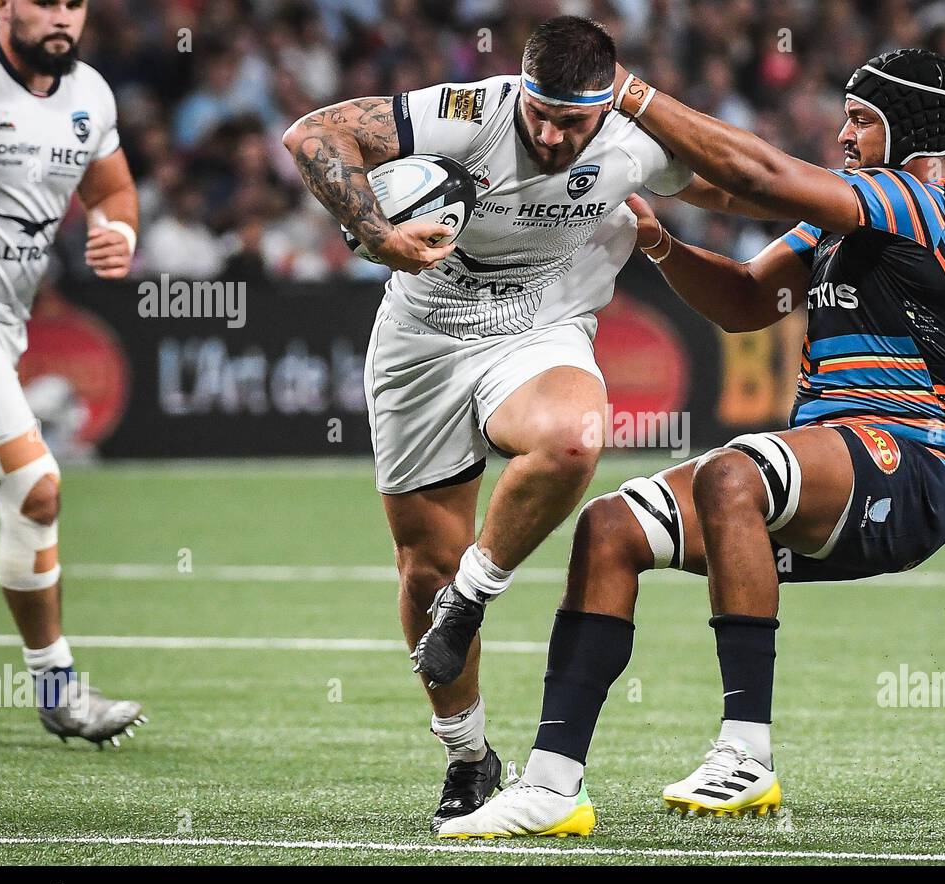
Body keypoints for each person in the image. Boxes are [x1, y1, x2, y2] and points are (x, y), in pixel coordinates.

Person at [438, 49, 945, 839]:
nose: (842, 132)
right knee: (608, 529)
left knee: (735, 475)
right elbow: (746, 300)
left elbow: (760, 176)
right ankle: (553, 785)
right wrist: (660, 244)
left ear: (909, 131)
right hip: (837, 462)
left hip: (915, 463)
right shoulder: (850, 217)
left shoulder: (918, 197)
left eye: (862, 119)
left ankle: (746, 753)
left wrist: (634, 97)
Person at [281, 14, 787, 830]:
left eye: (572, 119)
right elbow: (313, 135)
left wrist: (853, 212)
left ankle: (474, 598)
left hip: (540, 327)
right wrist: (378, 235)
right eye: (539, 112)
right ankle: (468, 751)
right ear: (519, 86)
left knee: (575, 439)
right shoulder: (468, 111)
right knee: (422, 565)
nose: (552, 132)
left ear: (606, 102)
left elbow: (741, 185)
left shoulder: (635, 138)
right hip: (422, 331)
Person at [0, 0, 145, 746]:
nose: (62, 17)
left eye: (74, 4)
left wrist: (117, 231)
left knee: (32, 504)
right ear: (3, 4)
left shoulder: (90, 96)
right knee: (36, 485)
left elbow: (111, 192)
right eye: (45, 1)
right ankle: (59, 688)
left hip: (3, 329)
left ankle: (53, 690)